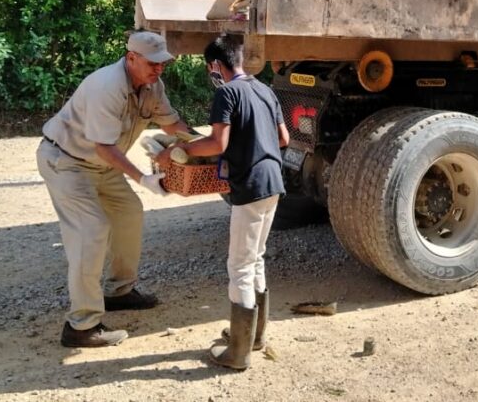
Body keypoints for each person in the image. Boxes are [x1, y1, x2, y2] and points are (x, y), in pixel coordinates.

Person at [37, 30, 192, 348]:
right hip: (67, 161)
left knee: (129, 214)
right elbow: (104, 146)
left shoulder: (152, 85)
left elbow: (171, 125)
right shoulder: (106, 86)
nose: (158, 70)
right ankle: (81, 325)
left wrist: (206, 146)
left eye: (162, 64)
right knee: (91, 230)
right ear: (131, 58)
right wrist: (142, 178)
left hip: (101, 165)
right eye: (152, 64)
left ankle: (119, 291)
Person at [177, 33, 289, 371]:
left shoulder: (227, 92)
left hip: (251, 185)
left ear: (215, 65)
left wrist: (180, 150)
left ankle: (238, 353)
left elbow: (216, 143)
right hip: (274, 182)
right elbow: (283, 138)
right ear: (240, 58)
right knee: (255, 259)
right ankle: (254, 337)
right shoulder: (265, 89)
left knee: (239, 265)